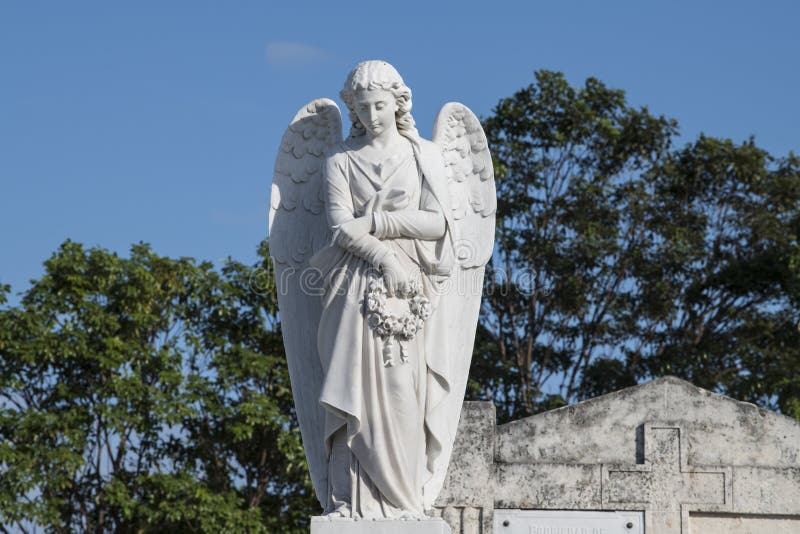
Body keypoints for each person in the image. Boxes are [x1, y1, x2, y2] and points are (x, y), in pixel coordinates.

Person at [308, 60, 456, 518]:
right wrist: (385, 254)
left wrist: (376, 222)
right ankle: (348, 501)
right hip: (352, 289)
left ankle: (404, 502)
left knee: (400, 390)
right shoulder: (340, 160)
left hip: (408, 292)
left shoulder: (423, 156)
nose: (372, 116)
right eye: (363, 107)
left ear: (398, 102)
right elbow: (337, 228)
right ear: (352, 108)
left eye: (380, 105)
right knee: (352, 389)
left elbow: (437, 223)